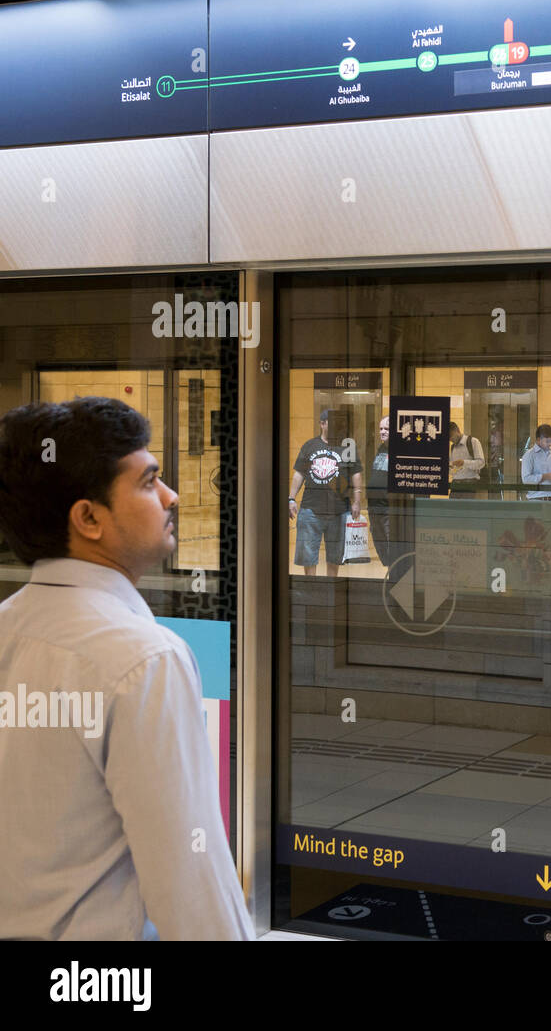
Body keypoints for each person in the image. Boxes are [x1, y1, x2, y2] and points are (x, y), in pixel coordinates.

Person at [0, 397, 252, 940]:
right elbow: (191, 880)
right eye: (148, 482)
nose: (172, 497)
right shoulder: (143, 660)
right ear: (88, 518)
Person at [289, 409, 363, 575]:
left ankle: (330, 589)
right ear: (322, 424)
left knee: (335, 557)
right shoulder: (310, 445)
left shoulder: (347, 446)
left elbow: (356, 473)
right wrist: (291, 498)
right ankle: (311, 588)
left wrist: (357, 501)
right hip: (310, 510)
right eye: (333, 422)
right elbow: (299, 473)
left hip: (339, 510)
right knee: (307, 557)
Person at [366, 415, 392, 565]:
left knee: (391, 542)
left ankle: (394, 574)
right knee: (378, 539)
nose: (382, 431)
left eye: (387, 429)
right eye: (381, 428)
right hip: (374, 505)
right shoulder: (381, 448)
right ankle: (388, 567)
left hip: (388, 506)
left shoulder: (399, 449)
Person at [522, 423, 551, 500]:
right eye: (547, 441)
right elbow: (526, 480)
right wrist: (546, 476)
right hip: (537, 500)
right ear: (538, 439)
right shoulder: (529, 455)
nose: (550, 444)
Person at [447, 421, 486, 498]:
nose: (450, 439)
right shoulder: (452, 447)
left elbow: (481, 463)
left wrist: (464, 463)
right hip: (455, 485)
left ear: (457, 430)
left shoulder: (473, 441)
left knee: (467, 509)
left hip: (469, 484)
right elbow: (452, 469)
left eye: (451, 436)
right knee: (452, 509)